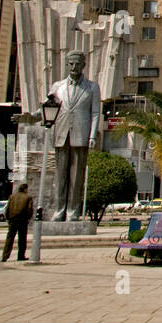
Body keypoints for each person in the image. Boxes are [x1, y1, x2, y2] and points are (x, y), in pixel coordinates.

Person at [47, 50, 102, 222]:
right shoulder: (58, 87)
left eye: (77, 63)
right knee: (60, 176)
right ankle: (59, 210)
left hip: (81, 134)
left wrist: (92, 136)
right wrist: (30, 116)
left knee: (77, 177)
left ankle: (73, 211)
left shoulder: (92, 87)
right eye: (70, 63)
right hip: (61, 134)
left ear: (83, 65)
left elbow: (95, 113)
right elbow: (48, 109)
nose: (73, 67)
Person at [2, 184, 33, 262]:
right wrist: (28, 218)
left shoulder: (12, 196)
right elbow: (30, 209)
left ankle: (5, 256)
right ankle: (21, 255)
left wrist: (8, 218)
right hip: (22, 220)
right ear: (25, 189)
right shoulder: (28, 197)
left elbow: (7, 208)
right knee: (22, 238)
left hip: (12, 220)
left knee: (10, 238)